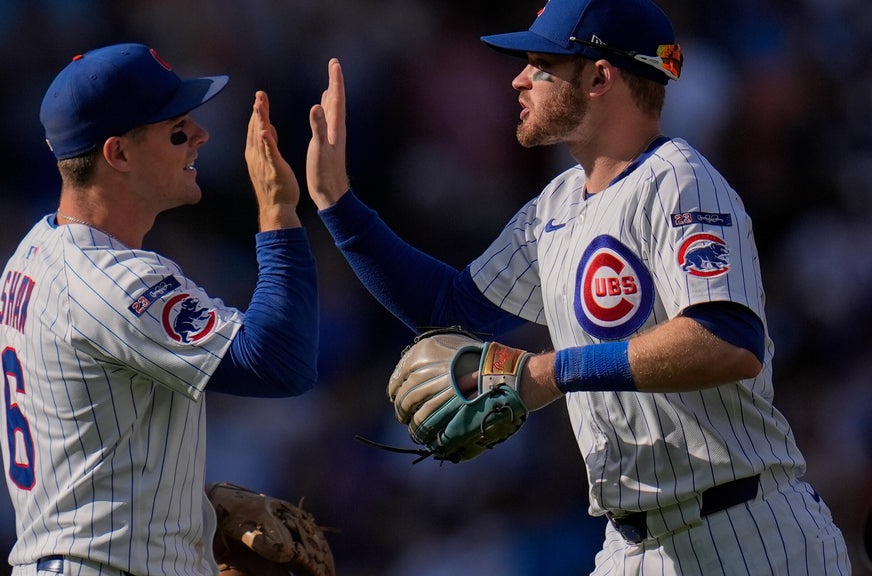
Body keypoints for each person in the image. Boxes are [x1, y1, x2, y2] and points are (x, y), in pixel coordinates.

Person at [304, 0, 852, 573]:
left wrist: (550, 372)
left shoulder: (679, 181)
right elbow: (452, 312)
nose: (518, 79)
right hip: (631, 547)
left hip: (747, 535)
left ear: (598, 76)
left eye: (541, 64)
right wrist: (339, 207)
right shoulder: (556, 206)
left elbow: (725, 341)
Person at [0, 43, 321, 576]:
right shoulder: (116, 281)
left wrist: (188, 503)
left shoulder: (33, 255)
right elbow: (280, 361)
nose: (200, 136)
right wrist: (277, 209)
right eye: (177, 128)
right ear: (117, 154)